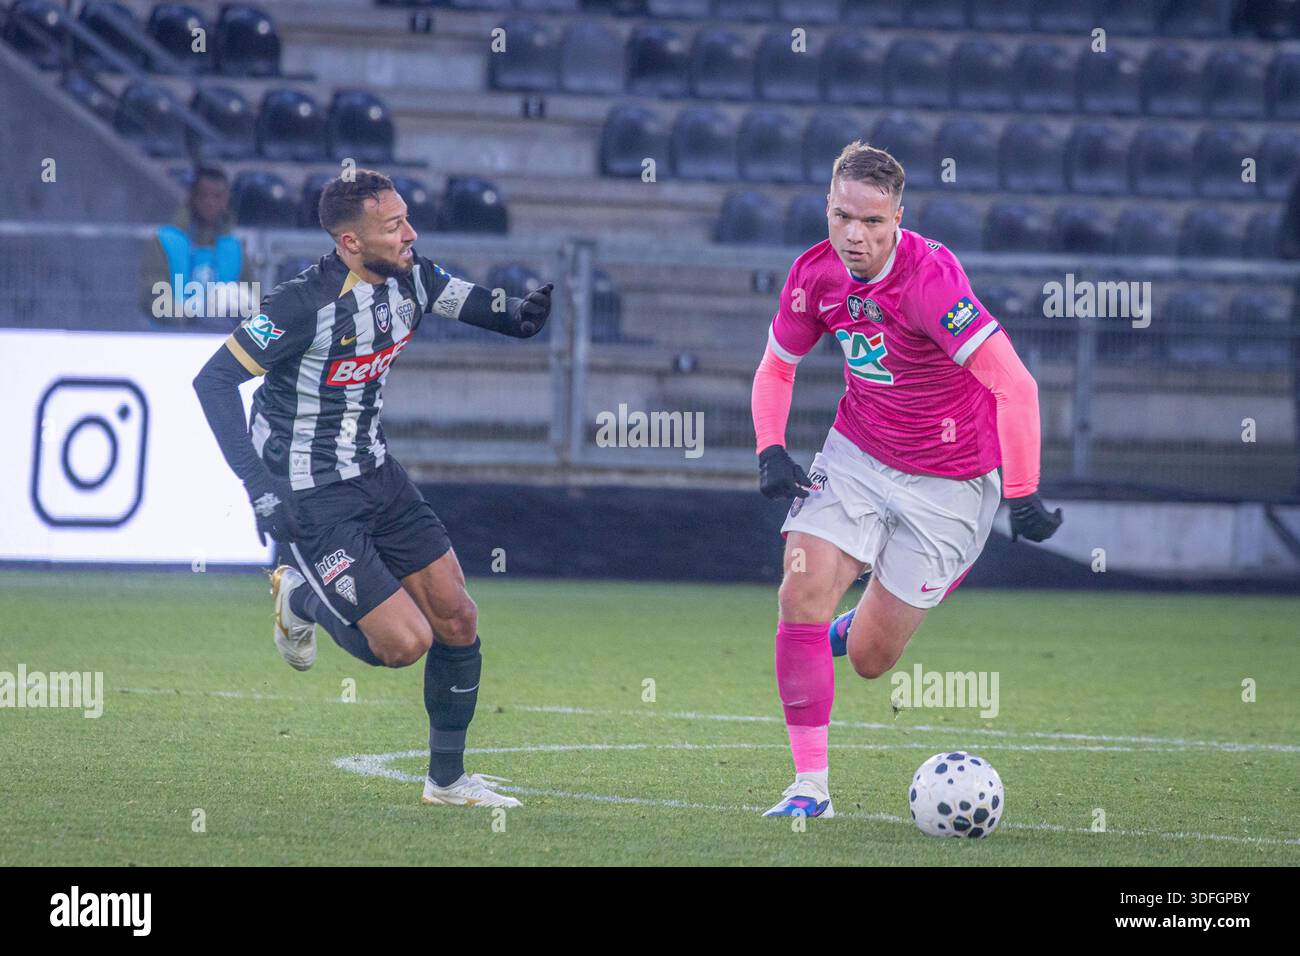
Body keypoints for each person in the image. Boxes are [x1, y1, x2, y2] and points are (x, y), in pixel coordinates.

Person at [192, 169, 553, 808]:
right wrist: (258, 487)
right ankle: (298, 599)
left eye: (407, 219)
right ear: (351, 243)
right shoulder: (302, 304)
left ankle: (446, 783)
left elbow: (474, 303)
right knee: (403, 645)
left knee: (458, 617)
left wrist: (519, 316)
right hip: (310, 492)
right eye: (394, 227)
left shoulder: (411, 275)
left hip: (377, 474)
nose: (411, 234)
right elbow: (213, 382)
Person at [751, 142, 1062, 818]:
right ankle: (810, 789)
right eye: (841, 218)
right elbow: (776, 367)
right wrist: (770, 448)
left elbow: (1016, 384)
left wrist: (1025, 491)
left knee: (869, 658)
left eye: (871, 222)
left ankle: (850, 628)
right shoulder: (813, 274)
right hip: (858, 452)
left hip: (950, 479)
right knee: (800, 589)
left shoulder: (931, 280)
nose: (854, 236)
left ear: (899, 217)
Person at [139, 164, 254, 324]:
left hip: (225, 340)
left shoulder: (235, 247)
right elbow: (152, 298)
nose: (210, 202)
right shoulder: (165, 241)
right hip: (169, 339)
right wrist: (195, 318)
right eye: (204, 195)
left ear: (226, 200)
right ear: (192, 197)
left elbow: (252, 298)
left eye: (217, 196)